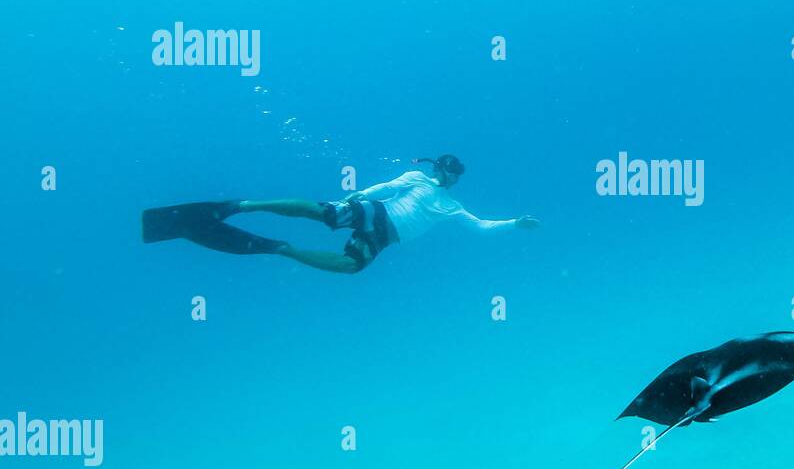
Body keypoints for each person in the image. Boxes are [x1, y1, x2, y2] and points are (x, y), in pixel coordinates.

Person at [142, 155, 539, 274]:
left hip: (387, 236)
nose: (452, 174)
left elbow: (482, 226)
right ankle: (243, 206)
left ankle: (279, 248)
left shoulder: (453, 206)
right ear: (442, 170)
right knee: (324, 213)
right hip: (378, 212)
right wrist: (356, 195)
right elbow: (385, 187)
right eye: (451, 168)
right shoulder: (418, 176)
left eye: (456, 172)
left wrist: (515, 224)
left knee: (352, 266)